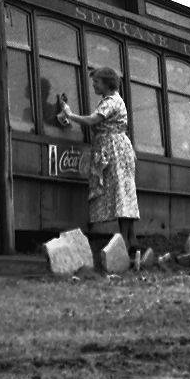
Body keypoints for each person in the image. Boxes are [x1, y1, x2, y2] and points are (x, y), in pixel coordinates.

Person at [61, 67, 140, 249]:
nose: (94, 85)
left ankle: (125, 242)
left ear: (106, 83)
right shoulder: (115, 100)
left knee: (121, 193)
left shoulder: (110, 102)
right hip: (119, 148)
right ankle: (130, 240)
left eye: (96, 82)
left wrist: (70, 115)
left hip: (114, 150)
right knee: (123, 193)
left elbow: (91, 120)